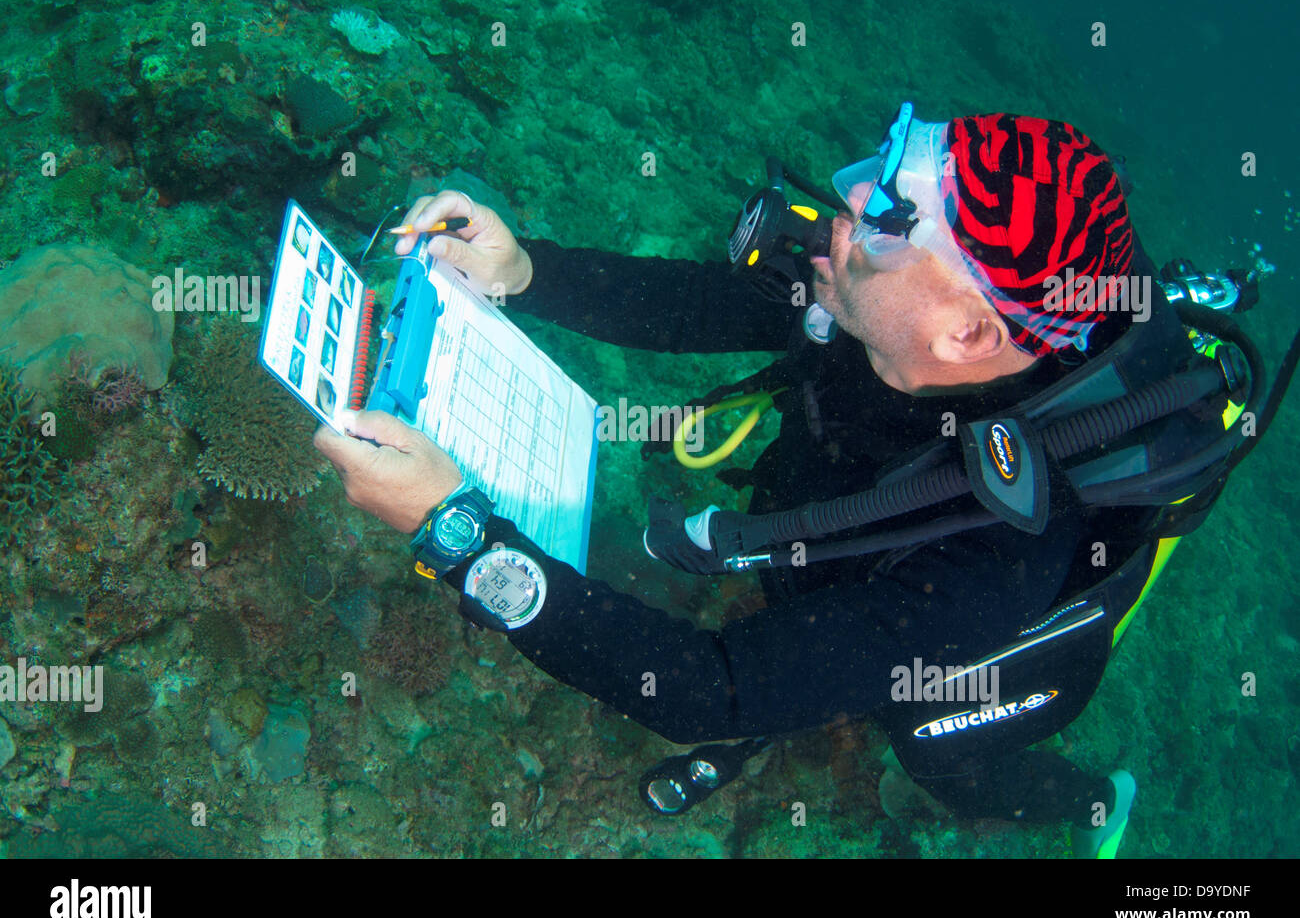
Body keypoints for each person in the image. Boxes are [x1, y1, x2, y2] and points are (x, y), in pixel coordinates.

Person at [314, 107, 1206, 858]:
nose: (853, 195)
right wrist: (523, 272)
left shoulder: (997, 554)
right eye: (892, 162)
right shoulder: (863, 299)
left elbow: (713, 689)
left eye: (894, 215)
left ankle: (1096, 800)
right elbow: (699, 306)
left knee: (936, 746)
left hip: (976, 648)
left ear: (969, 336)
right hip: (835, 536)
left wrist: (456, 534)